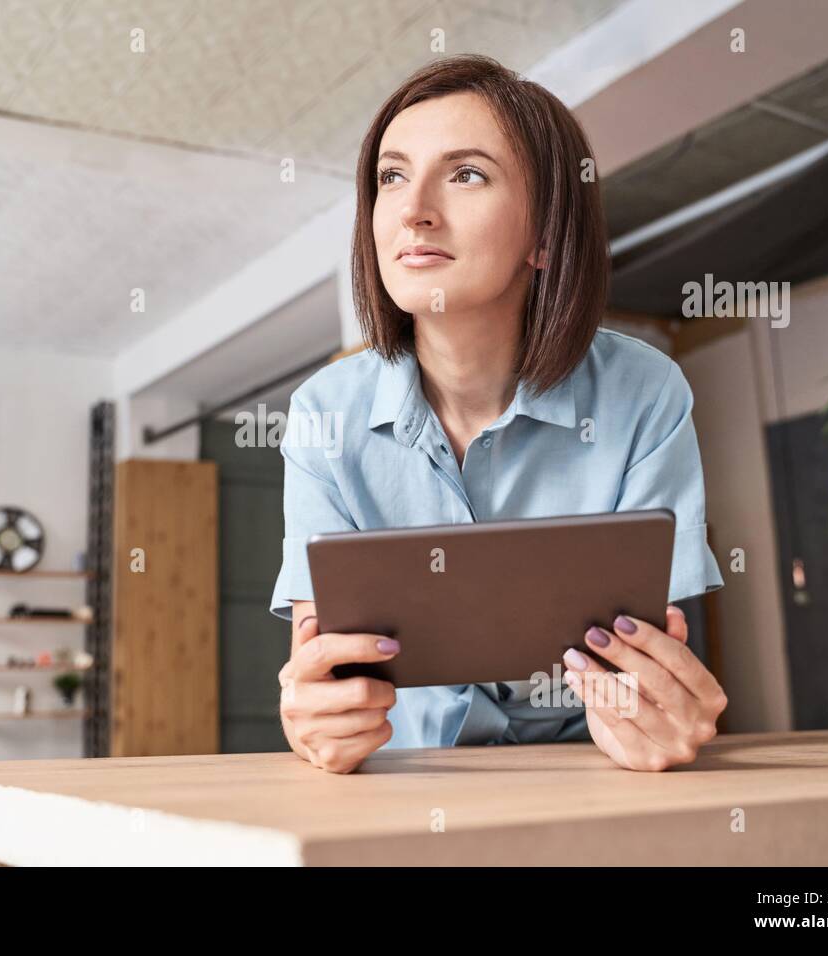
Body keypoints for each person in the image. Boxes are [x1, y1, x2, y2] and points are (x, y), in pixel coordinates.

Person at [269, 55, 727, 774]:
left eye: (466, 174)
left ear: (544, 235)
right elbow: (319, 652)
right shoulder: (322, 413)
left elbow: (655, 645)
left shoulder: (645, 392)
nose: (414, 207)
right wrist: (315, 717)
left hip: (596, 782)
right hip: (404, 784)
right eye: (391, 175)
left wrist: (662, 710)